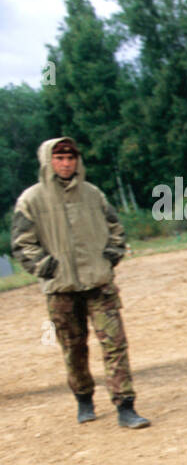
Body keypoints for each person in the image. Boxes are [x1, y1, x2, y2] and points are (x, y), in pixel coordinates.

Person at [11, 137, 150, 428]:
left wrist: (109, 258)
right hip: (61, 290)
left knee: (115, 345)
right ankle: (84, 398)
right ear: (48, 161)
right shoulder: (31, 200)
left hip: (99, 285)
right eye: (59, 158)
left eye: (70, 157)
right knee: (74, 349)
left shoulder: (93, 194)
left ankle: (125, 405)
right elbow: (22, 245)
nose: (66, 163)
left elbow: (115, 228)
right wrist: (47, 268)